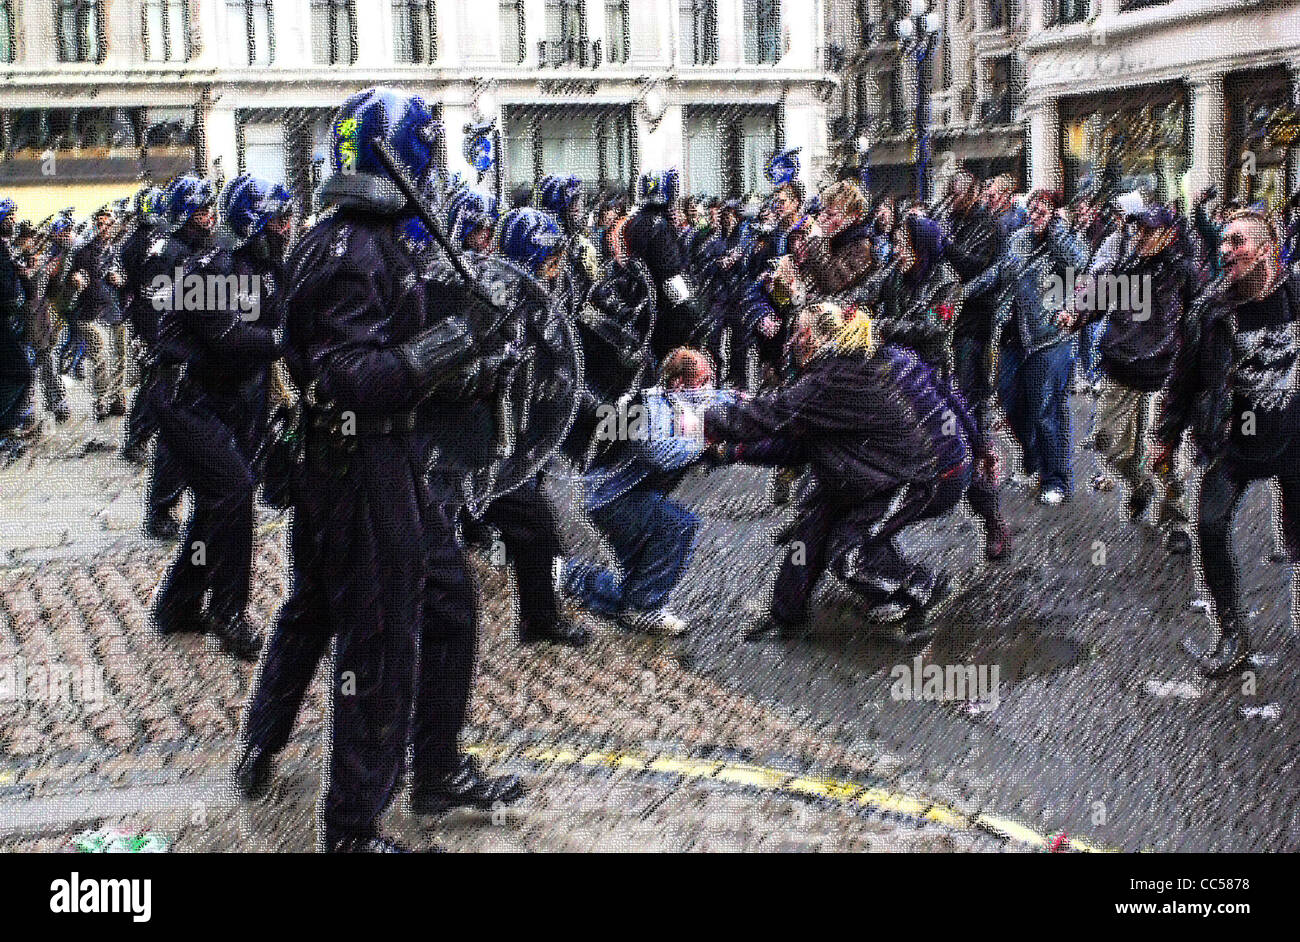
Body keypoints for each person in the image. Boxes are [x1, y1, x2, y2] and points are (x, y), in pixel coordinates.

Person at [237, 89, 523, 851]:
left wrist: (477, 351)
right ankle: (352, 826)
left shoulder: (364, 240)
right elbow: (349, 378)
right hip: (357, 465)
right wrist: (460, 338)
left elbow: (403, 357)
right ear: (405, 154)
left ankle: (432, 768)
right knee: (378, 641)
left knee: (446, 602)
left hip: (382, 458)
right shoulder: (350, 250)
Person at [706, 304, 1002, 643]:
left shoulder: (833, 379)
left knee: (849, 552)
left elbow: (770, 415)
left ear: (814, 337)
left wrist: (705, 423)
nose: (791, 342)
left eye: (798, 333)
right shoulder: (878, 356)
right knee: (810, 529)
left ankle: (922, 587)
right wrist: (735, 450)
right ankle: (787, 612)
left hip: (925, 476)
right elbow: (804, 441)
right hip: (872, 467)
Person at [1153, 209, 1300, 677]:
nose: (1225, 251)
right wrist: (1165, 435)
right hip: (1234, 442)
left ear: (1265, 250)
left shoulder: (1296, 293)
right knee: (1210, 525)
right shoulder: (1212, 309)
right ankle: (1232, 633)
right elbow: (1184, 376)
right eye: (1223, 243)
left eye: (1237, 243)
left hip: (1294, 438)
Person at [146, 173, 272, 662]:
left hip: (212, 397)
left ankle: (177, 605)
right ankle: (227, 611)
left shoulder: (249, 265)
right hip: (183, 399)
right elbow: (231, 338)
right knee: (235, 493)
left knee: (219, 499)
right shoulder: (207, 267)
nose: (284, 228)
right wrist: (284, 340)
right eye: (274, 222)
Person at [564, 348, 733, 636]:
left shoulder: (684, 403)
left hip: (626, 496)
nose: (707, 389)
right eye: (702, 382)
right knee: (677, 525)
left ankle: (565, 575)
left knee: (633, 581)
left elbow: (729, 404)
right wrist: (705, 441)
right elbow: (657, 453)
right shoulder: (648, 404)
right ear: (679, 382)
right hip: (611, 498)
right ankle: (642, 608)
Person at [1062, 201, 1199, 554]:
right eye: (1138, 229)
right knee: (1110, 444)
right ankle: (1139, 485)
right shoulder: (1129, 265)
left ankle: (1176, 519)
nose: (1140, 236)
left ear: (1168, 235)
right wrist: (1075, 315)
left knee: (1162, 455)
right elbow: (1098, 297)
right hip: (1119, 367)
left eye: (1148, 230)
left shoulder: (1184, 271)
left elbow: (1199, 323)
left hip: (1164, 375)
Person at [967, 189, 1090, 504]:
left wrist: (1054, 230)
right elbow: (1000, 271)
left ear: (1054, 214)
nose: (1035, 216)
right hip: (1014, 335)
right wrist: (964, 292)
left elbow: (1079, 263)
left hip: (1050, 337)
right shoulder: (1019, 238)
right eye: (1032, 210)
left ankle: (1056, 480)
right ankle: (1035, 457)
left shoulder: (1064, 241)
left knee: (1047, 411)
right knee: (1009, 400)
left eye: (1043, 211)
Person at [624, 169, 711, 359]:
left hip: (645, 302)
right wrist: (692, 311)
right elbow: (669, 273)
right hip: (665, 309)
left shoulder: (635, 222)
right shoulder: (659, 226)